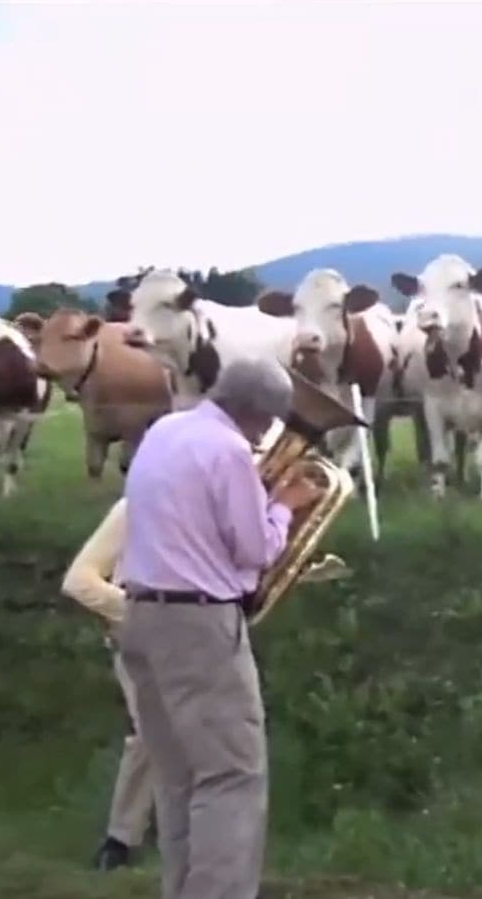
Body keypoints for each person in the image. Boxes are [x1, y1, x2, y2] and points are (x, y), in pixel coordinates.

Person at [115, 356, 323, 899]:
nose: (269, 435)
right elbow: (254, 550)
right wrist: (284, 507)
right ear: (259, 416)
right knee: (232, 776)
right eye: (271, 423)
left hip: (139, 614)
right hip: (198, 623)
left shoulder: (165, 428)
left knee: (178, 776)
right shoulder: (229, 450)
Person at [61, 497, 154, 871]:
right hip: (142, 638)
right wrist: (149, 614)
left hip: (210, 638)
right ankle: (122, 838)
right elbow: (79, 582)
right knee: (151, 733)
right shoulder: (136, 507)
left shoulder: (226, 502)